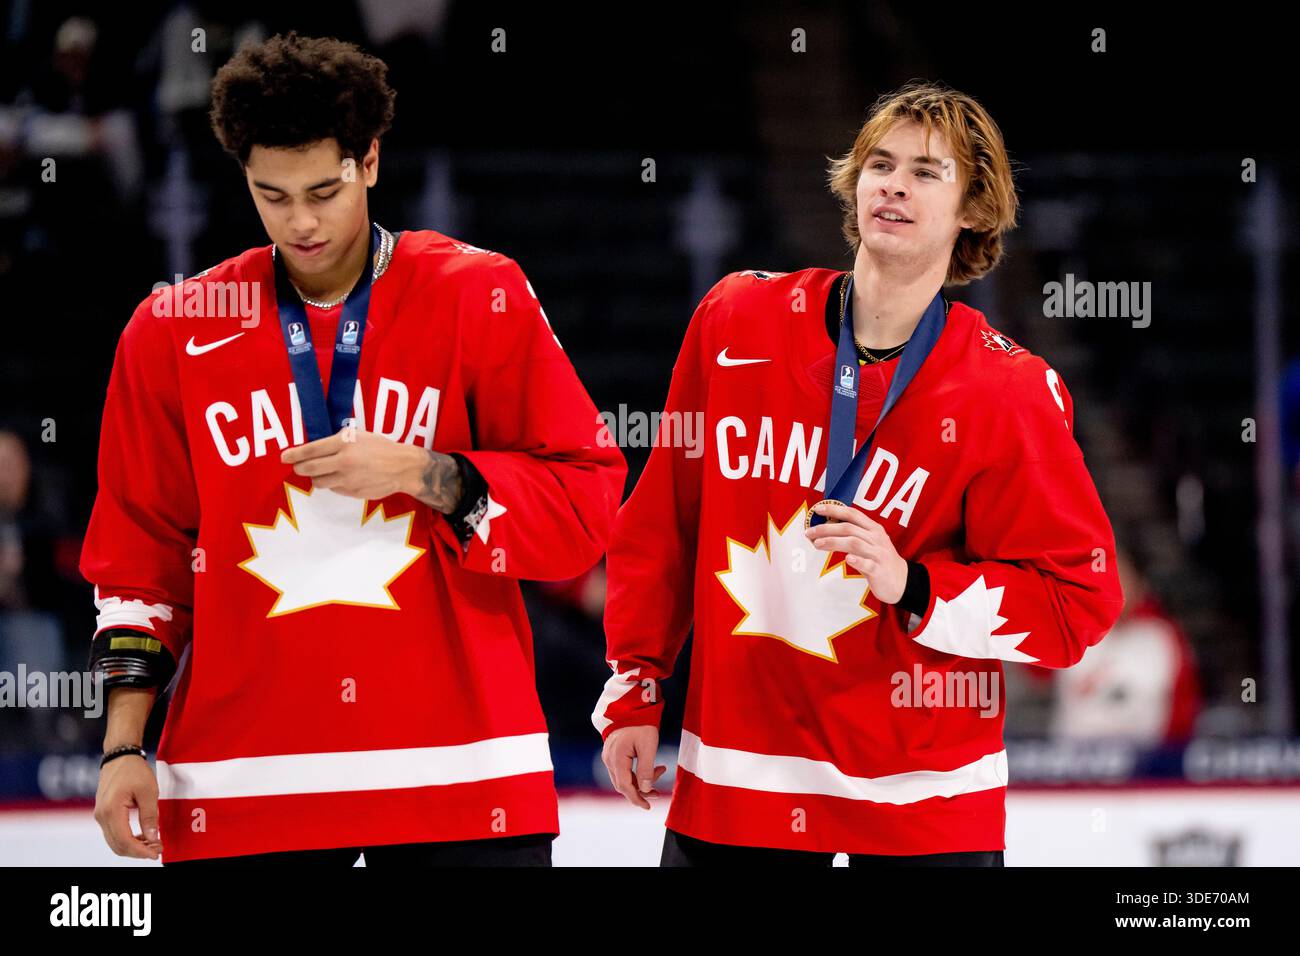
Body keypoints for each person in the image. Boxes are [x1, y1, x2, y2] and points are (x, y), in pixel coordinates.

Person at [80, 32, 625, 866]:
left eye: (324, 191)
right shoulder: (170, 331)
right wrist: (123, 746)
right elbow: (138, 559)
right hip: (246, 784)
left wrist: (431, 473)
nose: (301, 222)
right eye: (273, 195)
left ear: (369, 159)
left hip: (462, 776)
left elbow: (587, 502)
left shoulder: (477, 293)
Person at [594, 80, 1124, 867]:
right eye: (881, 163)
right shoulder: (737, 321)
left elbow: (1077, 603)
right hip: (742, 788)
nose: (895, 185)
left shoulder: (1004, 391)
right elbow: (664, 520)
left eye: (926, 171)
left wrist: (916, 586)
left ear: (974, 209)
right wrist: (636, 680)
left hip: (923, 803)